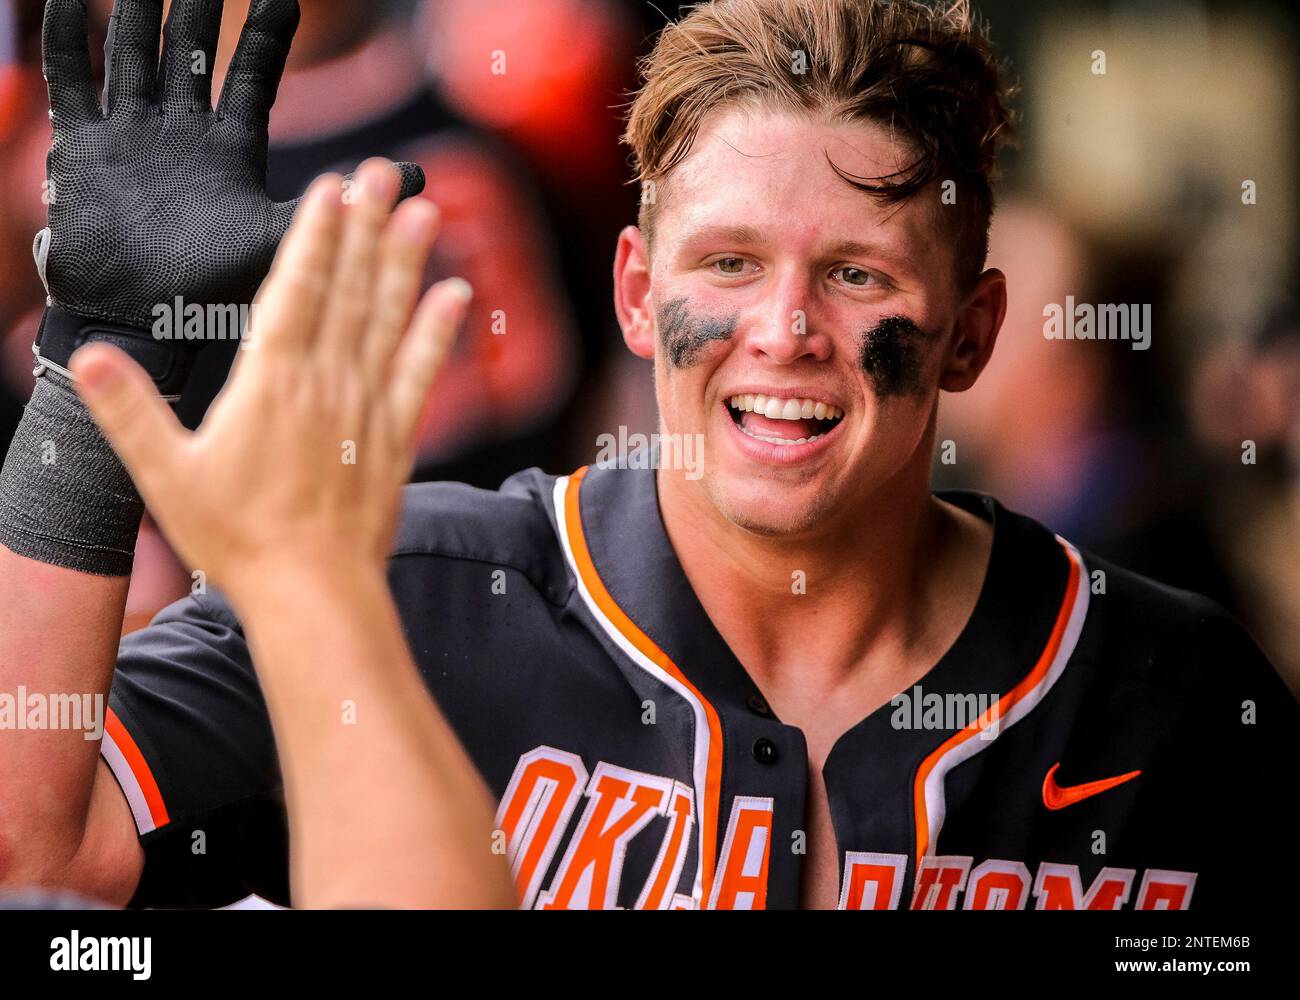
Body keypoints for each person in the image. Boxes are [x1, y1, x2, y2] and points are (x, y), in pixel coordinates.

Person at [0, 0, 1295, 911]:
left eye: (856, 276)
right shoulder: (397, 594)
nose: (783, 332)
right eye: (727, 264)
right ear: (634, 293)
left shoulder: (1174, 691)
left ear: (972, 334)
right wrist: (95, 361)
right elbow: (29, 846)